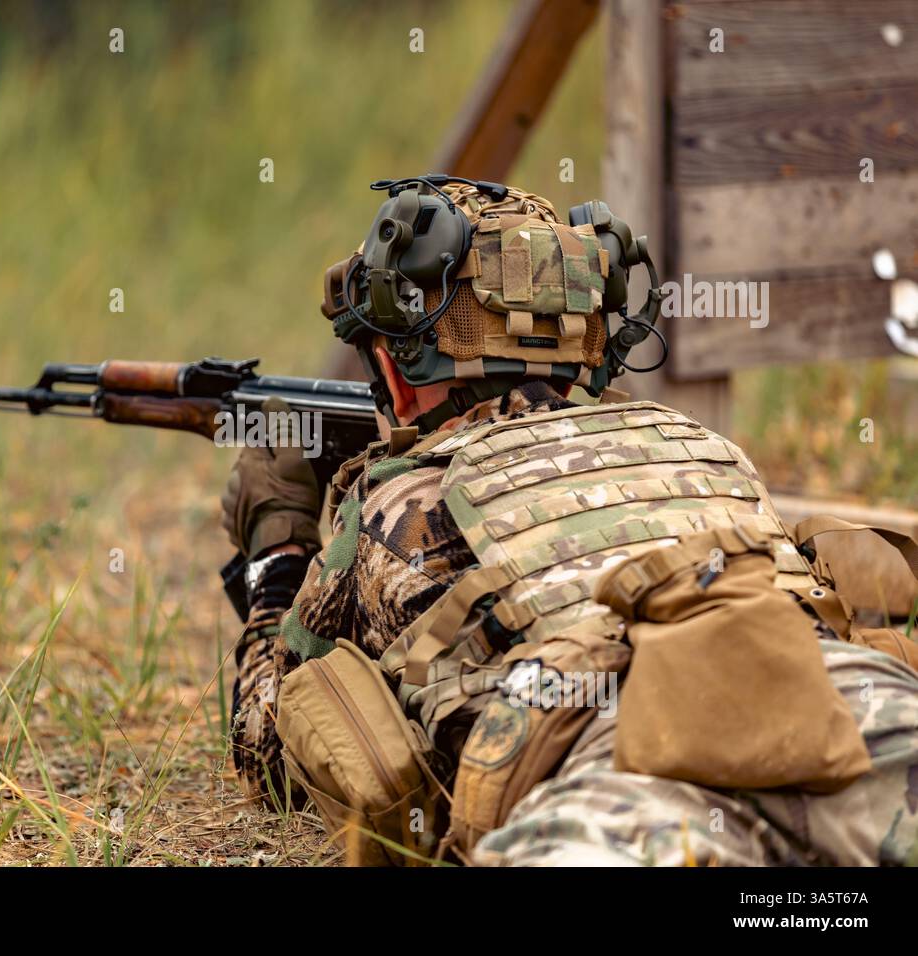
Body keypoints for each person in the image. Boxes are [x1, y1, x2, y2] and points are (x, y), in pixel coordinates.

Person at [220, 178, 918, 866]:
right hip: (840, 698)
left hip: (613, 757)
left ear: (397, 374)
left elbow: (268, 750)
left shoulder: (396, 506)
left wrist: (274, 553)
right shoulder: (701, 445)